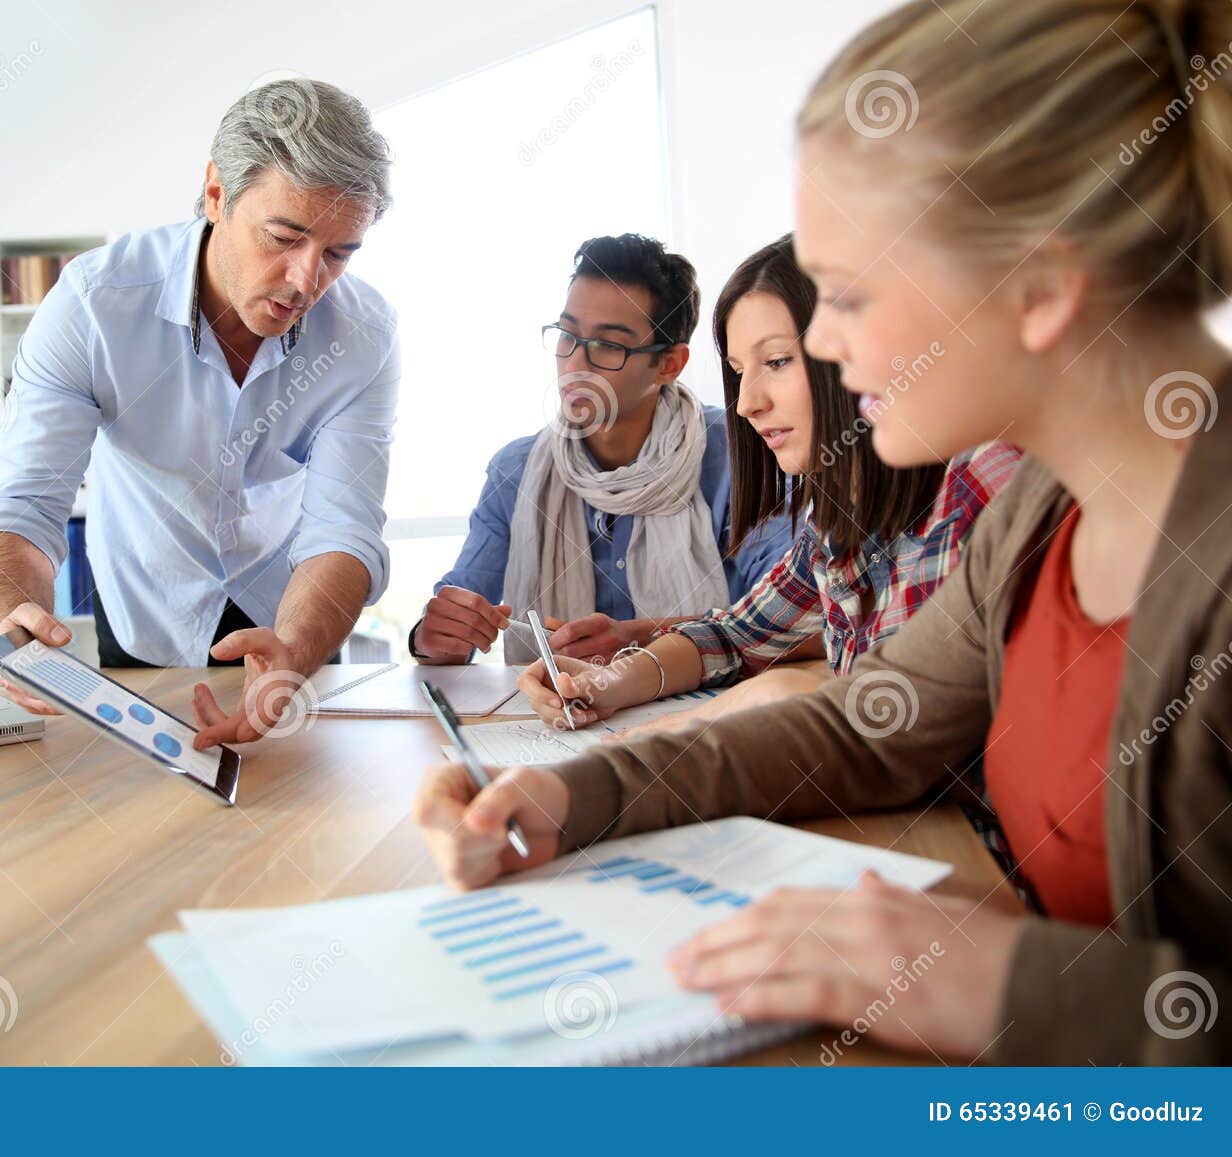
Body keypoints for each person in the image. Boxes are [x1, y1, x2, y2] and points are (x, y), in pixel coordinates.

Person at [416, 0, 1232, 1064]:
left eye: (845, 294)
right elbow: (858, 727)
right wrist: (578, 790)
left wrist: (1004, 981)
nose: (827, 344)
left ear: (1038, 283)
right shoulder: (1041, 516)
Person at [0, 80, 399, 751]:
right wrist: (9, 611)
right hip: (145, 609)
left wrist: (297, 647)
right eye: (285, 236)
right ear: (216, 193)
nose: (307, 279)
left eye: (340, 253)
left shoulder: (363, 334)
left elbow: (344, 527)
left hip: (292, 618)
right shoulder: (93, 306)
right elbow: (22, 506)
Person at [516, 235, 1018, 731]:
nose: (746, 402)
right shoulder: (837, 515)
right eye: (738, 371)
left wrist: (684, 727)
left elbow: (905, 734)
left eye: (777, 362)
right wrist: (615, 680)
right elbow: (739, 634)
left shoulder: (973, 485)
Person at [410, 234, 790, 667]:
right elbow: (455, 616)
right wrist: (433, 634)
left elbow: (789, 618)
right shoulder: (516, 471)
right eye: (567, 336)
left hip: (708, 719)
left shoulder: (737, 454)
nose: (575, 365)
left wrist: (641, 639)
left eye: (609, 345)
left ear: (669, 364)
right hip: (554, 720)